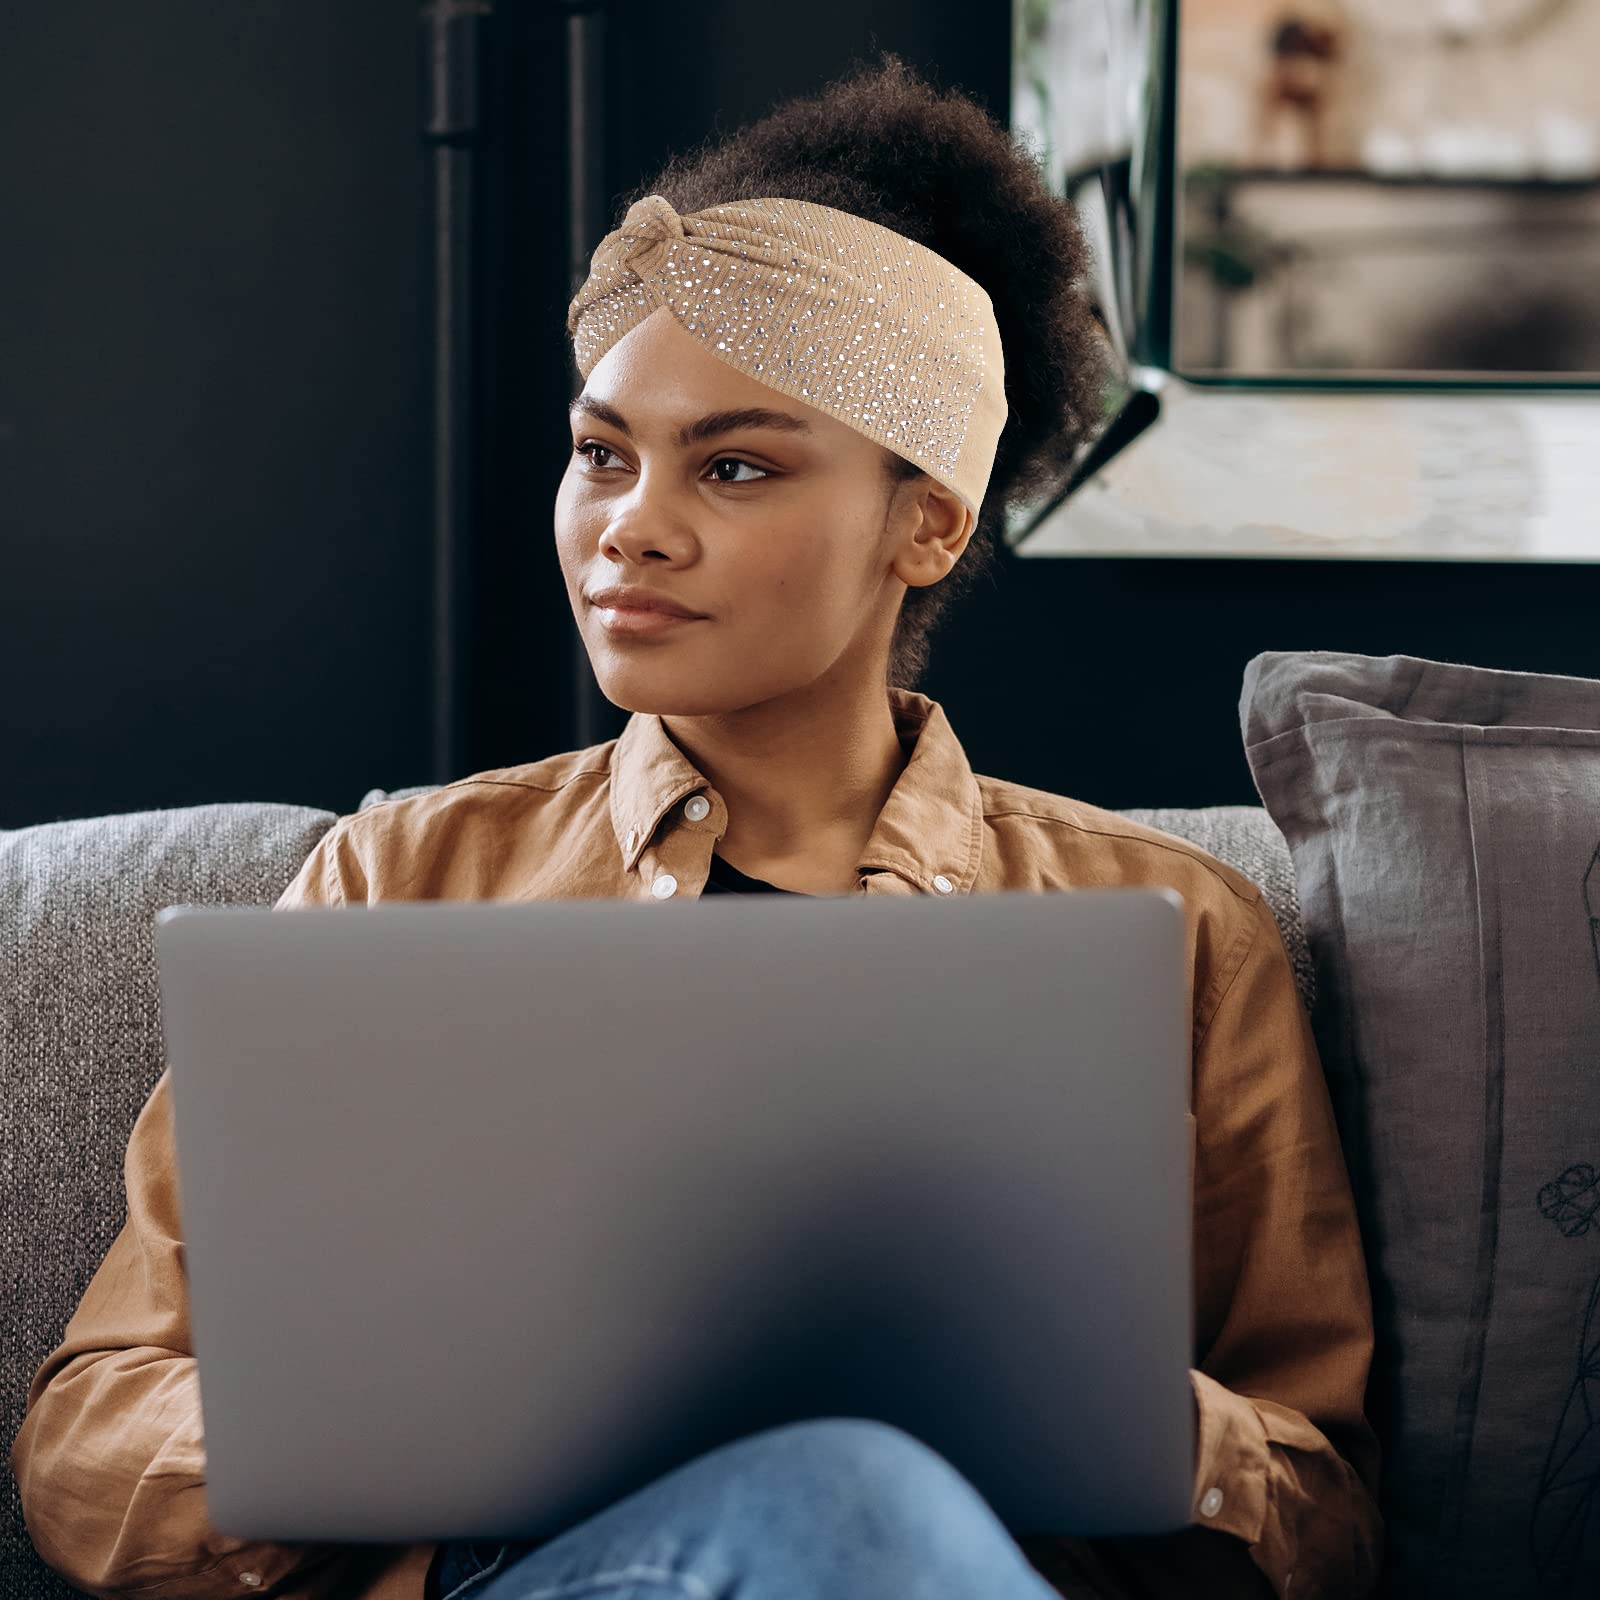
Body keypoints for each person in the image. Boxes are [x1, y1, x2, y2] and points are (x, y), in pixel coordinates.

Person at [11, 52, 1381, 1600]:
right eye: (603, 453)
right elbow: (87, 1434)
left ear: (925, 520)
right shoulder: (396, 882)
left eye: (733, 466)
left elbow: (1319, 1512)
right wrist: (404, 1440)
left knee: (860, 1493)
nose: (629, 526)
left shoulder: (1177, 930)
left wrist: (1095, 1417)